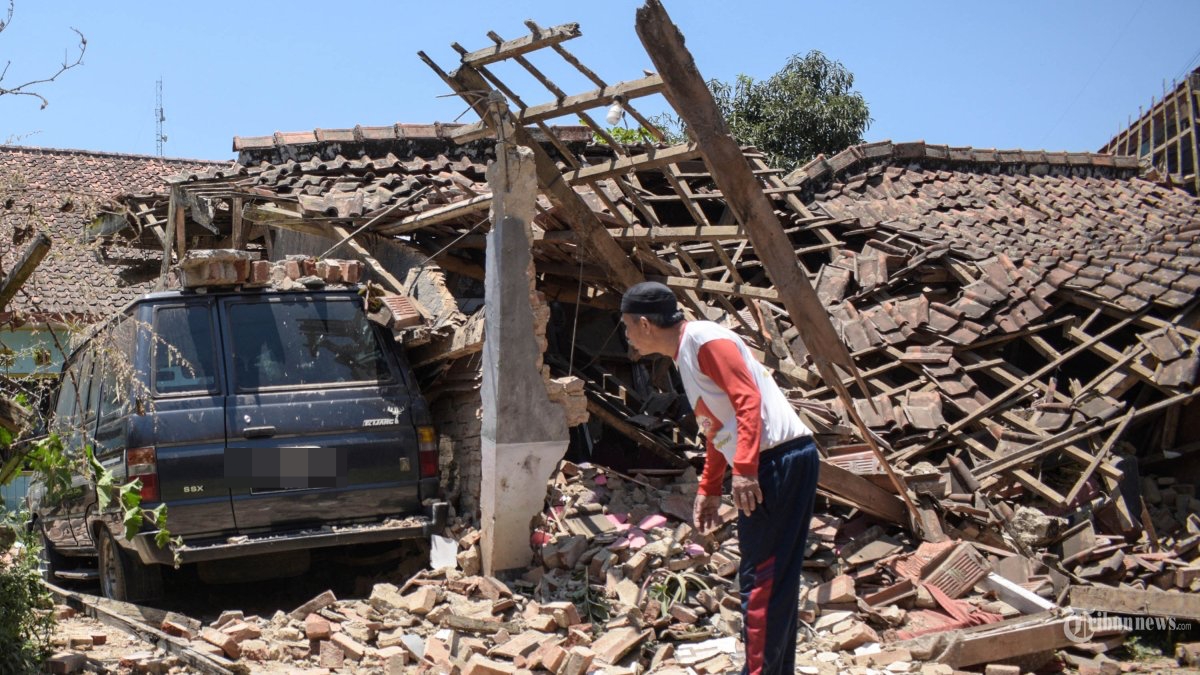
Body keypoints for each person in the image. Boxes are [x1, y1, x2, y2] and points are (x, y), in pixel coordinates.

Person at [619, 281, 819, 675]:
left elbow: (749, 402)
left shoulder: (705, 340)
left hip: (776, 461)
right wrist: (710, 487)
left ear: (644, 323)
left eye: (626, 326)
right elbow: (717, 427)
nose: (626, 336)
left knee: (761, 580)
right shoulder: (686, 355)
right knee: (773, 579)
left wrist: (744, 471)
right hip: (778, 458)